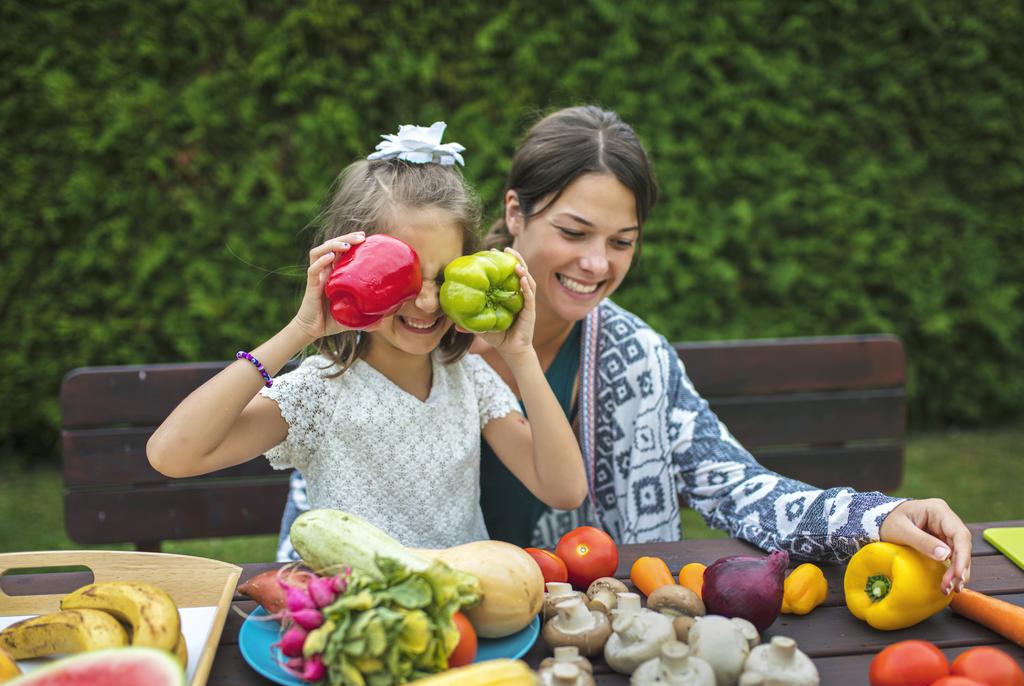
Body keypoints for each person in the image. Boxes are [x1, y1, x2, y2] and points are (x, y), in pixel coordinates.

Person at [283, 107, 972, 595]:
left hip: (576, 633)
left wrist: (877, 516)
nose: (596, 265)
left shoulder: (636, 356)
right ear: (517, 211)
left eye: (623, 241)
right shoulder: (412, 319)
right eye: (575, 230)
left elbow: (731, 484)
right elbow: (320, 489)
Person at [146, 122, 589, 560]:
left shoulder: (469, 380)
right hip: (359, 612)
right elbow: (173, 456)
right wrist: (298, 331)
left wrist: (521, 357)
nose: (428, 302)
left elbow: (564, 489)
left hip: (462, 608)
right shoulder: (320, 392)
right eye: (404, 279)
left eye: (444, 277)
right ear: (348, 271)